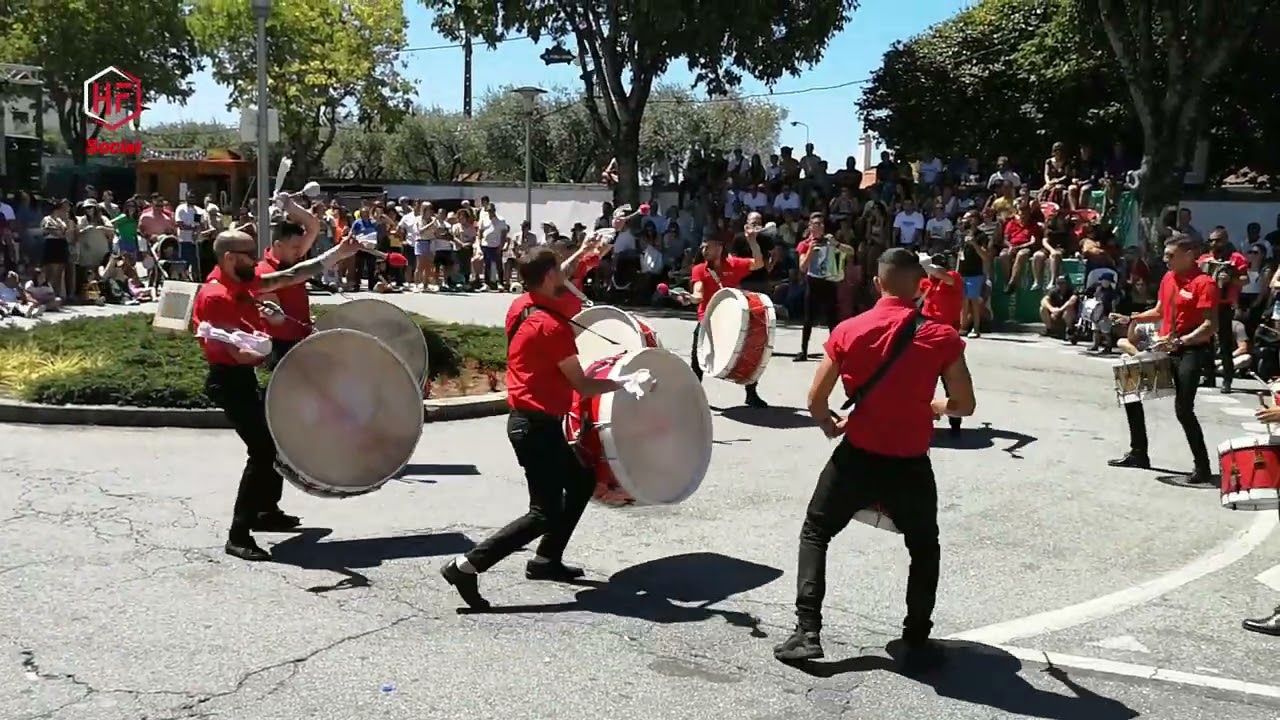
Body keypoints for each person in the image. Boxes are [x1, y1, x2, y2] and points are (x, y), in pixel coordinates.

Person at [773, 248, 974, 671]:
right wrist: (933, 407)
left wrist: (828, 425)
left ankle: (806, 631)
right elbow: (965, 404)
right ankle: (916, 636)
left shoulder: (850, 329)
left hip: (858, 455)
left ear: (878, 284)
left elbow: (816, 399)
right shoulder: (941, 336)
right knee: (923, 546)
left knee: (817, 531)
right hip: (910, 461)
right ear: (921, 283)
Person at [440, 247, 624, 609]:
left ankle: (546, 560)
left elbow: (561, 276)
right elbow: (584, 386)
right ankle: (467, 566)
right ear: (551, 276)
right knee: (544, 512)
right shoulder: (551, 327)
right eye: (560, 271)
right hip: (535, 428)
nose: (565, 277)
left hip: (536, 423)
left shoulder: (521, 304)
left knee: (582, 479)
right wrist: (625, 382)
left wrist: (586, 251)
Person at [193, 216, 360, 561]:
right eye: (248, 255)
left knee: (272, 443)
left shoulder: (240, 282)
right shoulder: (215, 296)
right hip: (228, 380)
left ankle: (265, 512)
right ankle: (238, 535)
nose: (255, 261)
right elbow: (237, 352)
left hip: (241, 378)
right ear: (228, 259)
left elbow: (288, 277)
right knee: (263, 451)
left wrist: (336, 255)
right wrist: (266, 342)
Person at [1108, 234, 1217, 483]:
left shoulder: (1204, 283)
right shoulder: (1168, 278)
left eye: (1171, 255)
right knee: (1130, 389)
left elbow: (1210, 326)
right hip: (1165, 346)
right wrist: (1131, 318)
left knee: (1183, 409)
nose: (1165, 259)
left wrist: (1181, 341)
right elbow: (1159, 311)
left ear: (1189, 255)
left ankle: (1202, 466)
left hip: (1192, 351)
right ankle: (1139, 453)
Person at [680, 221, 767, 407]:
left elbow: (759, 264)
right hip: (708, 320)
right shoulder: (699, 270)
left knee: (749, 352)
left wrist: (752, 241)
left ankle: (751, 393)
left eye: (708, 246)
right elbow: (698, 294)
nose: (704, 250)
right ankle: (693, 395)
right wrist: (690, 298)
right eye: (702, 246)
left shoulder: (733, 264)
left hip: (732, 320)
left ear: (719, 247)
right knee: (698, 358)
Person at [254, 197, 321, 367]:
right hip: (279, 348)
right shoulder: (263, 272)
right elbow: (277, 320)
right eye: (294, 248)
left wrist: (290, 206)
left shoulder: (292, 259)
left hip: (300, 340)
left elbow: (313, 227)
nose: (299, 252)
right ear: (278, 245)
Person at [1197, 228, 1248, 392]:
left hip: (1224, 304)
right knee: (1206, 341)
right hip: (1205, 304)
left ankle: (1227, 379)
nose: (1213, 243)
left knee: (1225, 343)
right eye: (1211, 240)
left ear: (1225, 240)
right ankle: (1208, 376)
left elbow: (1244, 279)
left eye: (1217, 240)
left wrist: (1230, 279)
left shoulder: (1235, 258)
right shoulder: (1204, 259)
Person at [919, 253, 964, 434]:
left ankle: (955, 419)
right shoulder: (927, 283)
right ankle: (922, 416)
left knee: (951, 382)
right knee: (923, 381)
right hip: (926, 337)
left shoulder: (953, 278)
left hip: (947, 338)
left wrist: (928, 265)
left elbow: (941, 274)